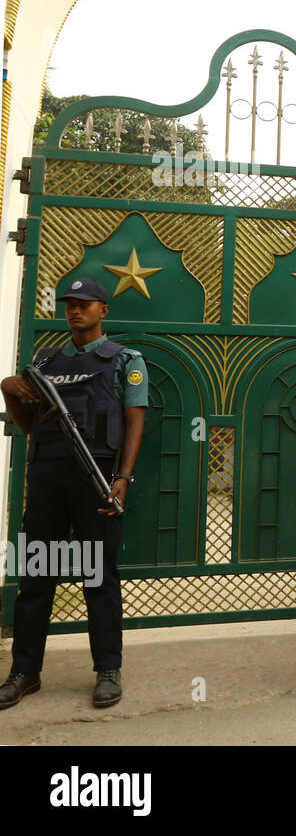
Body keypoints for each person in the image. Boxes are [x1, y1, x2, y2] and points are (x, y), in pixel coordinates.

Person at [0, 277, 147, 710]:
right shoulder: (44, 362)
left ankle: (107, 670)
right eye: (70, 304)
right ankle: (24, 672)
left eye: (84, 304)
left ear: (103, 310)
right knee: (35, 580)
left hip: (96, 480)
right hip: (46, 482)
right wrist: (9, 392)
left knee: (98, 578)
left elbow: (135, 421)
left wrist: (124, 477)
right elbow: (32, 428)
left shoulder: (125, 360)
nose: (74, 310)